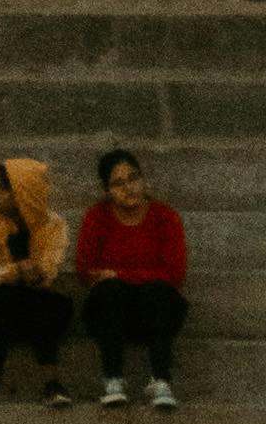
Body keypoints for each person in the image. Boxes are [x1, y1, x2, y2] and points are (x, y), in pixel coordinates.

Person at [72, 144, 189, 409]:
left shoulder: (165, 216)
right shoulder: (97, 217)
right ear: (107, 191)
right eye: (118, 183)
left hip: (155, 311)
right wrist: (119, 280)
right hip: (111, 313)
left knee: (156, 291)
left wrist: (120, 273)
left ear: (143, 179)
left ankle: (161, 380)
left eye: (134, 178)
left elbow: (174, 273)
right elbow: (84, 270)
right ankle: (113, 380)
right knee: (111, 291)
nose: (129, 188)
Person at [0, 155, 73, 402]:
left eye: (2, 188)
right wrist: (20, 269)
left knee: (43, 302)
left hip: (38, 304)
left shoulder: (55, 225)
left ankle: (53, 383)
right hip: (3, 307)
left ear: (21, 194)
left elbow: (48, 272)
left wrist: (31, 272)